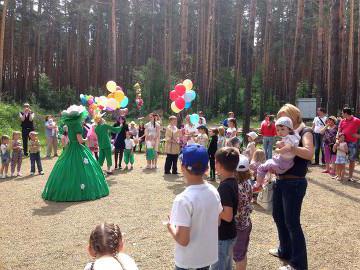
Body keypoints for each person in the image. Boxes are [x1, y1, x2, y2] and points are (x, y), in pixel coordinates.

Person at [269, 104, 313, 270]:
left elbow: (309, 153)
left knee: (292, 223)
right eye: (279, 117)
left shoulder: (304, 131)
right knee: (279, 217)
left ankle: (298, 264)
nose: (281, 121)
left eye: (284, 116)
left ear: (295, 116)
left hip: (294, 183)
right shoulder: (286, 133)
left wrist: (291, 147)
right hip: (281, 181)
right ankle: (284, 251)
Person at [167, 144, 222, 270]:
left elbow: (183, 240)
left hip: (188, 261)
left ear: (182, 167)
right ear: (207, 167)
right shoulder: (214, 191)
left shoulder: (183, 200)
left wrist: (170, 227)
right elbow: (217, 221)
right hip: (206, 257)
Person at [42, 105, 109, 201]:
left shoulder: (69, 125)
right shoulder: (77, 125)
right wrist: (87, 139)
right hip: (78, 147)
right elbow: (80, 140)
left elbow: (70, 138)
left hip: (70, 147)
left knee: (68, 166)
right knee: (81, 167)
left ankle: (65, 189)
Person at [254, 117, 300, 192]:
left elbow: (288, 148)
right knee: (266, 167)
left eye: (282, 129)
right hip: (286, 163)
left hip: (281, 163)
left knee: (261, 168)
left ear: (290, 129)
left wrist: (278, 150)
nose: (280, 132)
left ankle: (258, 185)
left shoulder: (289, 138)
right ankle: (261, 183)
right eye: (278, 130)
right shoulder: (292, 137)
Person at [211, 147, 239, 270]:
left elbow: (227, 216)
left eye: (215, 161)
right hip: (229, 234)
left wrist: (213, 205)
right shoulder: (232, 181)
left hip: (223, 236)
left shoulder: (225, 187)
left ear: (219, 164)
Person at [233, 154, 253, 270]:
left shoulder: (236, 187)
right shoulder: (248, 183)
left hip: (238, 225)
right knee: (242, 253)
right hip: (246, 223)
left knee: (238, 256)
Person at [337, 107, 360, 181]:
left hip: (353, 143)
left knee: (351, 159)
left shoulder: (357, 120)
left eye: (342, 113)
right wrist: (337, 139)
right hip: (342, 142)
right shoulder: (342, 121)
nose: (341, 114)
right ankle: (339, 175)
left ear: (346, 113)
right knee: (340, 159)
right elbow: (339, 130)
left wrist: (359, 136)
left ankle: (350, 177)